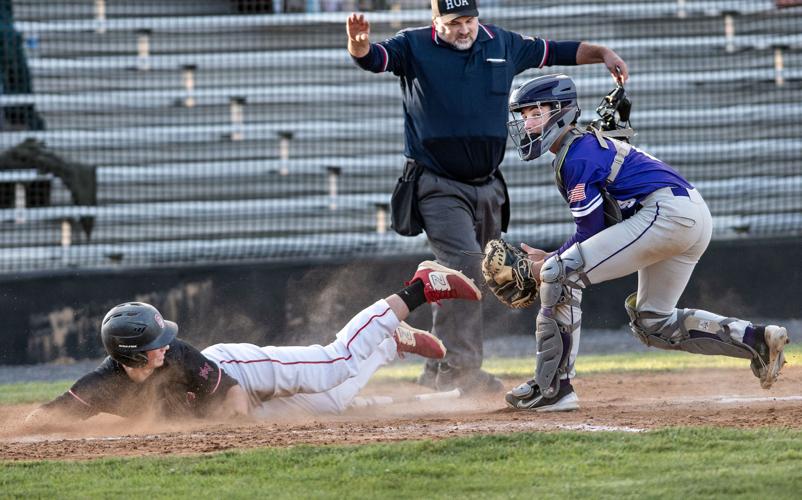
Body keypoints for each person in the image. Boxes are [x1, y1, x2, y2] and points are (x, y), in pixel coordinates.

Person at [346, 0, 629, 393]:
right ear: (436, 22)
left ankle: (439, 370)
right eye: (454, 23)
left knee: (473, 276)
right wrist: (359, 46)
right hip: (437, 183)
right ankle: (458, 371)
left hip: (488, 183)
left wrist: (600, 52)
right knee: (464, 266)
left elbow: (554, 50)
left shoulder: (501, 43)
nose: (464, 30)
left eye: (469, 20)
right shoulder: (413, 45)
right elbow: (375, 58)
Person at [502, 73, 790, 412]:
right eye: (524, 116)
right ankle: (756, 339)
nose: (528, 123)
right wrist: (553, 259)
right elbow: (597, 231)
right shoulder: (580, 147)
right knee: (654, 322)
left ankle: (553, 388)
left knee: (558, 273)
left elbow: (590, 231)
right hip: (688, 214)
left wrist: (544, 265)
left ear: (561, 111)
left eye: (536, 113)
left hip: (667, 214)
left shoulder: (576, 156)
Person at [24, 261, 481, 426]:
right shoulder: (103, 384)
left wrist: (233, 430)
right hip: (227, 414)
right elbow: (54, 412)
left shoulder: (180, 356)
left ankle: (420, 287)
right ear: (128, 357)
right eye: (155, 343)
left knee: (333, 364)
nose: (166, 344)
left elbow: (234, 398)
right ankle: (388, 344)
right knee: (333, 403)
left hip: (236, 374)